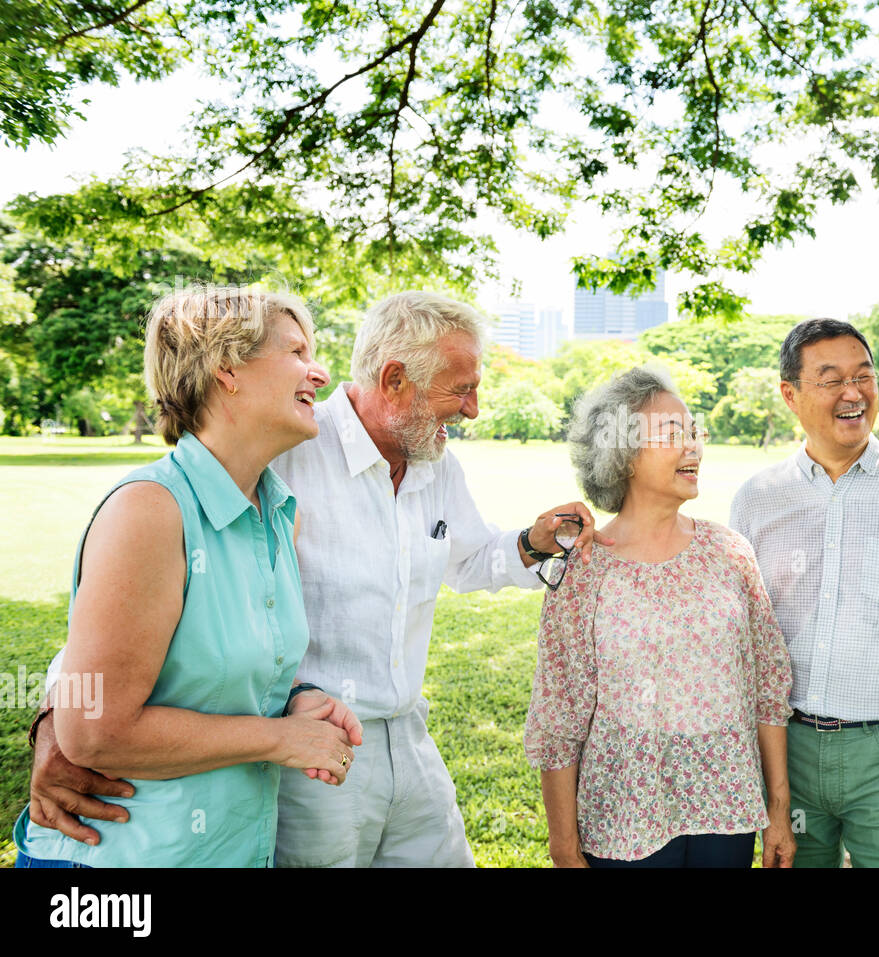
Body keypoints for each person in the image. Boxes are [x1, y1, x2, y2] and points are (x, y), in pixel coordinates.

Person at [29, 289, 605, 868]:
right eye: (459, 389)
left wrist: (532, 543)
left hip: (397, 733)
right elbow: (121, 607)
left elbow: (469, 557)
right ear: (395, 379)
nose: (473, 409)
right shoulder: (278, 452)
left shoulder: (362, 482)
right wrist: (61, 716)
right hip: (299, 760)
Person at [15, 286, 362, 867]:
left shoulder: (280, 515)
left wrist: (297, 701)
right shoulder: (151, 509)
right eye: (297, 353)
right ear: (226, 368)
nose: (319, 373)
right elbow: (94, 732)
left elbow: (229, 676)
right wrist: (278, 739)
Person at [525, 366, 796, 868]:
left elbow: (768, 686)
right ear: (623, 454)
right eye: (674, 435)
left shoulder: (729, 552)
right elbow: (557, 720)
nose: (693, 447)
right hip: (624, 817)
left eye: (695, 433)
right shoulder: (584, 568)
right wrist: (563, 845)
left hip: (726, 809)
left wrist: (778, 810)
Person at [730, 319, 879, 868]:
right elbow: (742, 634)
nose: (853, 393)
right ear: (790, 395)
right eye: (831, 379)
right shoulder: (756, 499)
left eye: (864, 376)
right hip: (785, 748)